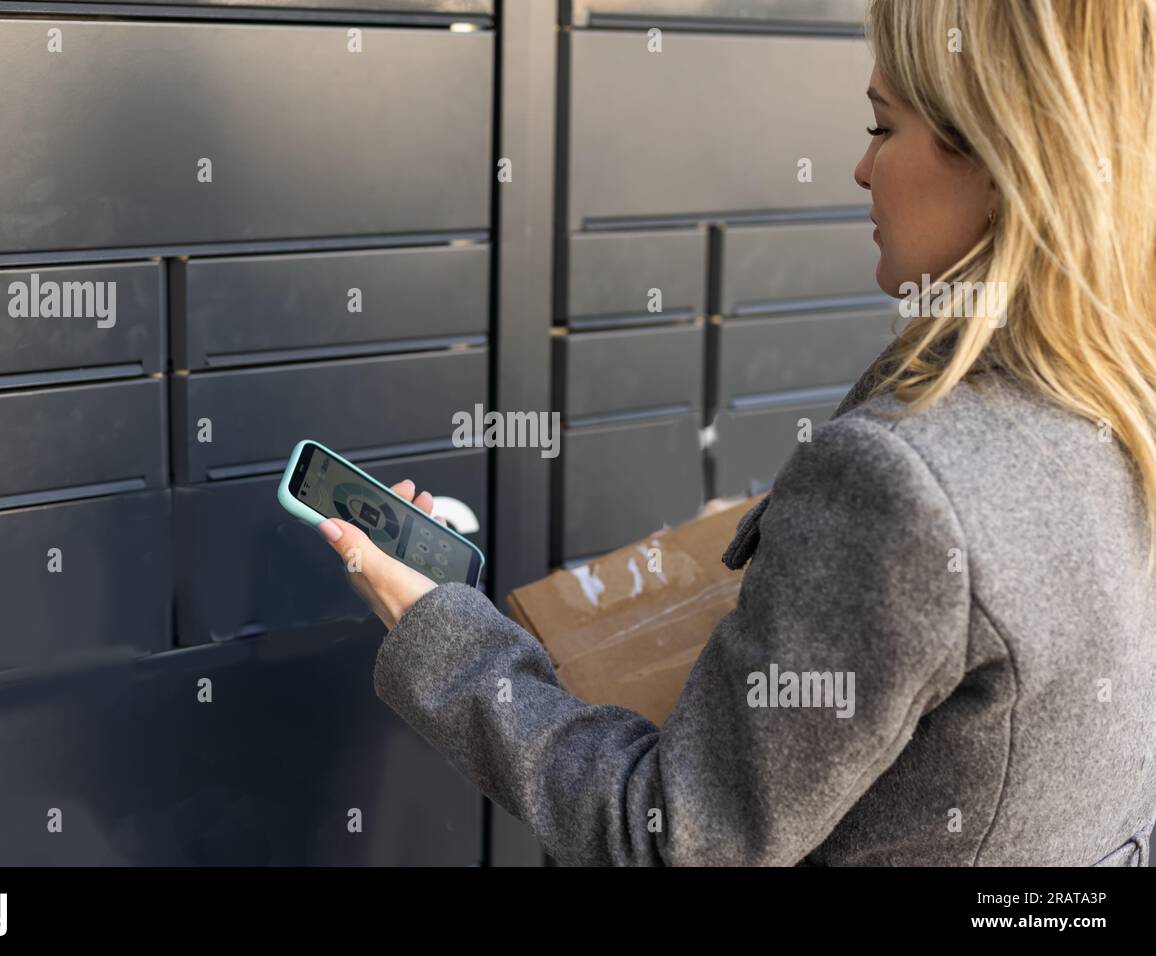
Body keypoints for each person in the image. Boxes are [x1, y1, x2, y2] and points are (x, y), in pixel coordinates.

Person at [314, 0, 1156, 865]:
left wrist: (431, 621)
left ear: (999, 158)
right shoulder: (1118, 390)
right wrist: (800, 555)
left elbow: (671, 840)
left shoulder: (908, 486)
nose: (862, 168)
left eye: (882, 125)